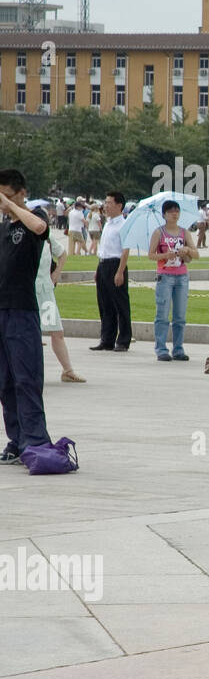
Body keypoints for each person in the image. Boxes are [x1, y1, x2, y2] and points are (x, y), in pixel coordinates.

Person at [0, 170, 53, 465]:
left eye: (8, 197)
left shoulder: (35, 218)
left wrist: (13, 207)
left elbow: (39, 226)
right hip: (1, 310)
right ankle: (16, 440)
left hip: (22, 311)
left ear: (21, 193)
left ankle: (35, 440)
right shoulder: (3, 228)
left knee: (26, 379)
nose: (3, 204)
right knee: (5, 381)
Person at [147, 199, 198, 361]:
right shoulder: (159, 232)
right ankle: (161, 348)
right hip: (165, 276)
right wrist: (165, 255)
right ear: (164, 214)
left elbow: (196, 254)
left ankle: (178, 348)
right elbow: (151, 255)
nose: (174, 214)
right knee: (162, 314)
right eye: (170, 211)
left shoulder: (184, 232)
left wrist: (187, 249)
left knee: (180, 316)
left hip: (182, 276)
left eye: (176, 211)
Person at [35, 221, 85, 383]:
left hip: (45, 291)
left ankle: (68, 371)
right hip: (25, 292)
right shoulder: (21, 237)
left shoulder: (47, 238)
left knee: (57, 331)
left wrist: (56, 273)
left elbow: (62, 254)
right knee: (29, 334)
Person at [91, 192, 131, 352]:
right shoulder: (108, 223)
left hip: (116, 265)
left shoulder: (123, 224)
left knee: (120, 305)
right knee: (104, 304)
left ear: (119, 205)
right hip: (103, 265)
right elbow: (104, 248)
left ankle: (123, 340)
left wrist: (120, 272)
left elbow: (125, 250)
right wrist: (98, 269)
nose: (105, 206)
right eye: (105, 202)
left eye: (109, 203)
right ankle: (106, 339)